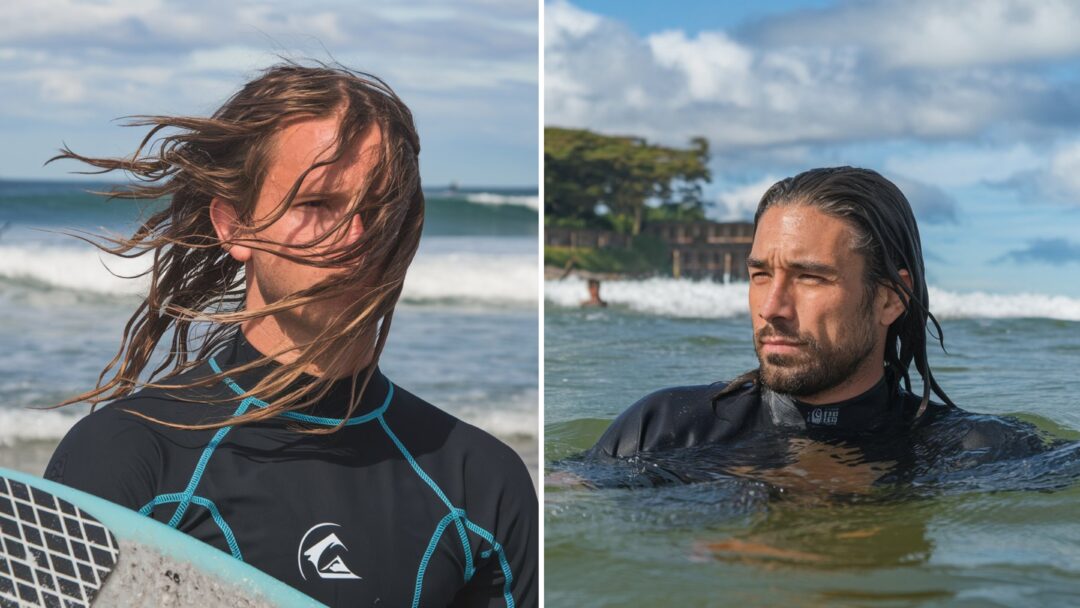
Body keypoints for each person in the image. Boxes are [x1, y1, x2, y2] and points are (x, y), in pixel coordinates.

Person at [43, 63, 536, 607]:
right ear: (234, 225)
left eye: (377, 210)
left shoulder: (479, 484)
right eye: (316, 203)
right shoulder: (129, 457)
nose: (354, 238)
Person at [588, 167, 1049, 487]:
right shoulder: (664, 429)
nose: (772, 307)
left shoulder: (975, 453)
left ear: (890, 296)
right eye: (760, 274)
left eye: (811, 277)